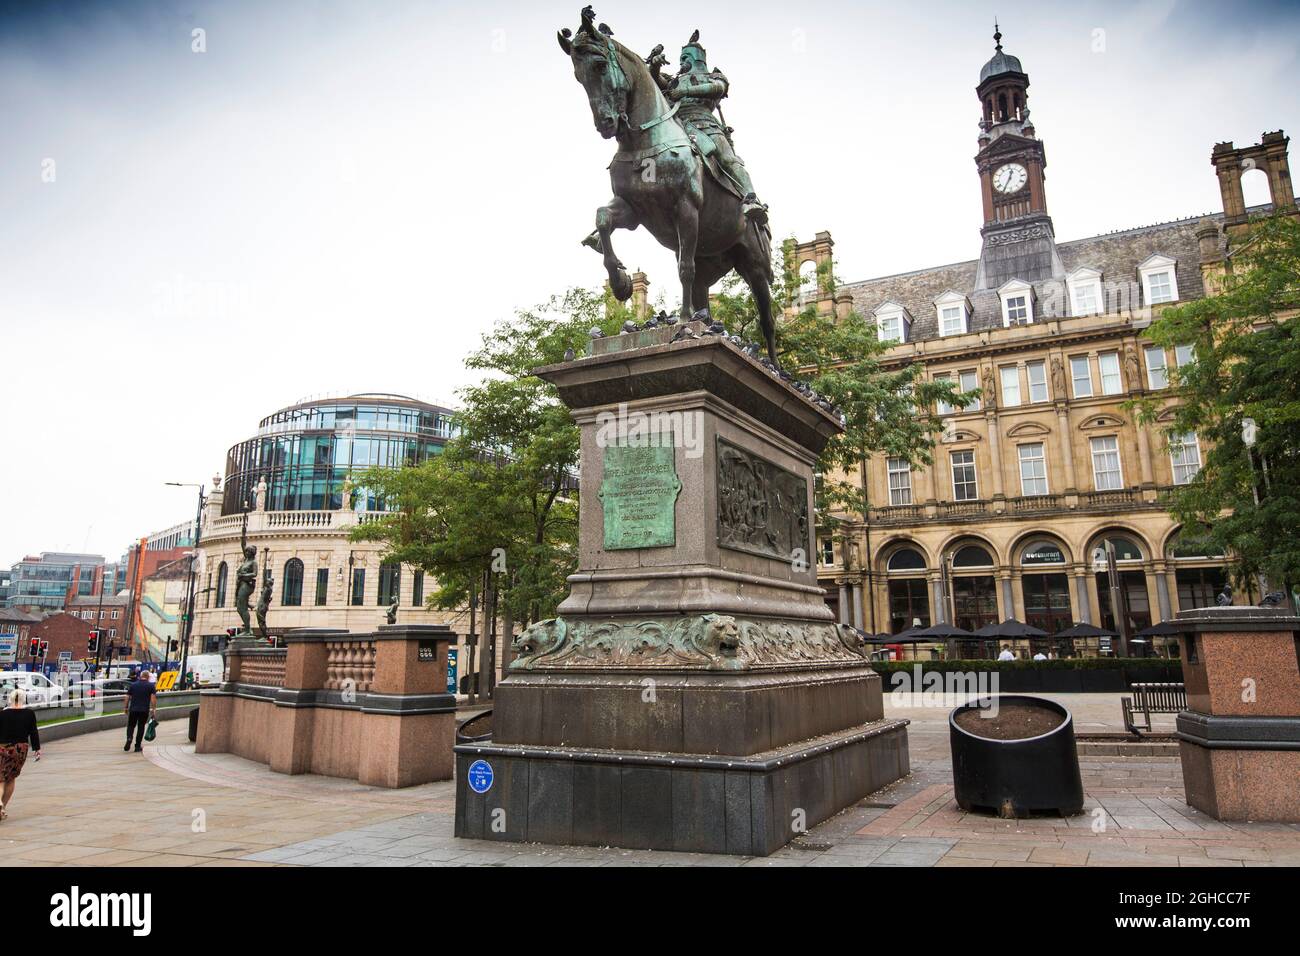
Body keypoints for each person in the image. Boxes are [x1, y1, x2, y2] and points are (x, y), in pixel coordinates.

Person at [1, 689, 41, 820]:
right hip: (20, 750)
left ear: (10, 699)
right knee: (10, 778)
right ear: (23, 699)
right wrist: (37, 748)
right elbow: (33, 732)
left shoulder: (2, 714)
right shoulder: (29, 713)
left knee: (0, 778)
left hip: (2, 748)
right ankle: (3, 807)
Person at [123, 670, 157, 753]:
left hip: (133, 709)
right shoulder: (151, 686)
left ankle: (129, 738)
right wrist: (153, 709)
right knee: (141, 727)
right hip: (144, 710)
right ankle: (137, 746)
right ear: (148, 677)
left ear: (140, 676)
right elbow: (153, 698)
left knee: (131, 725)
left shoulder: (133, 685)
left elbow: (127, 697)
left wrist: (126, 708)